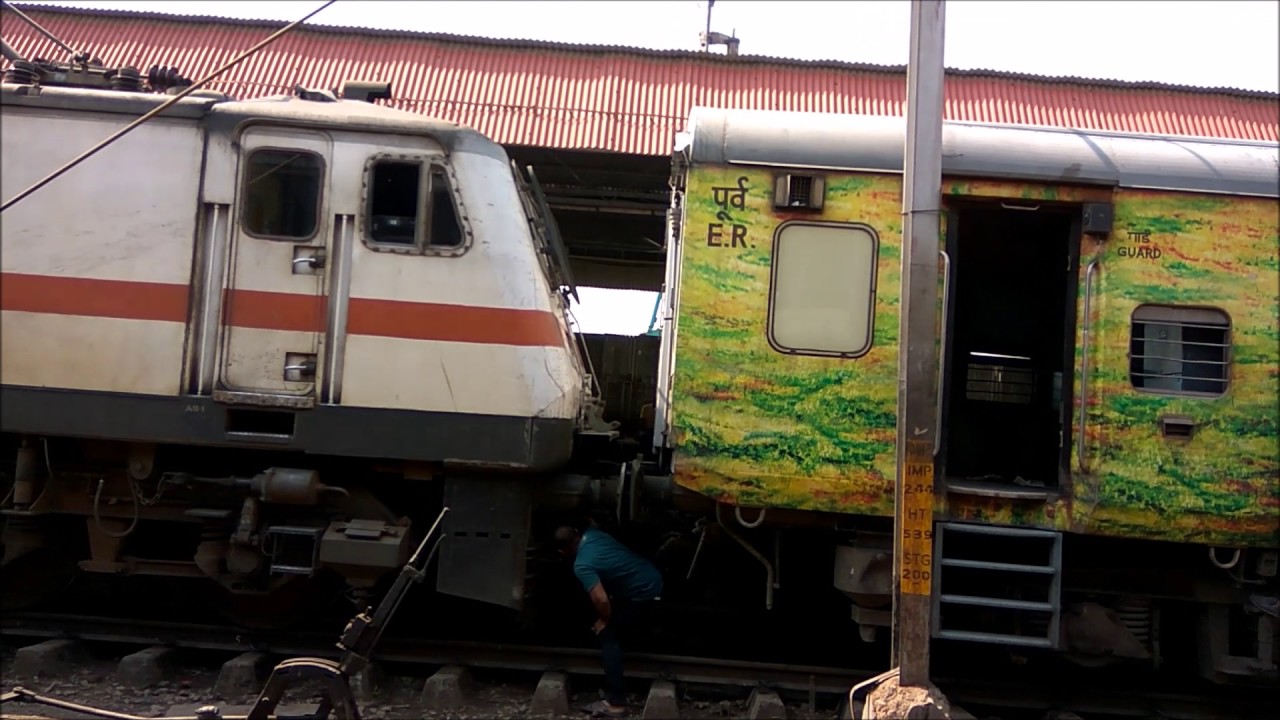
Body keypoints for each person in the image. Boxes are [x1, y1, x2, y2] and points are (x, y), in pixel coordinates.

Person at [554, 523, 663, 717]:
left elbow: (600, 598)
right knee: (619, 620)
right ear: (577, 533)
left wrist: (605, 620)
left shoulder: (582, 564)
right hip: (650, 576)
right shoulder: (594, 534)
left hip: (643, 592)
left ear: (563, 551)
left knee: (608, 636)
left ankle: (615, 703)